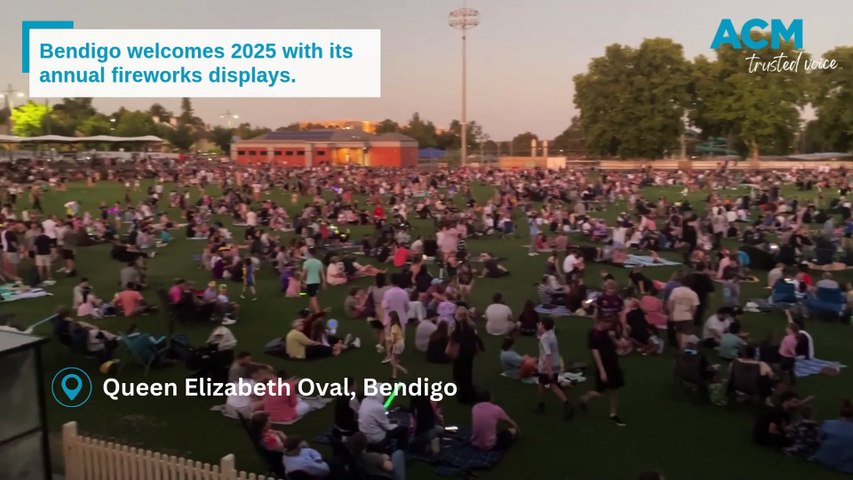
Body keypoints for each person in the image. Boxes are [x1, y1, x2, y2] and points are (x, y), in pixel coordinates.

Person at [579, 317, 627, 427]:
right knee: (600, 392)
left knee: (615, 389)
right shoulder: (593, 333)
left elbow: (613, 344)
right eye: (608, 322)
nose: (610, 325)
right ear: (601, 321)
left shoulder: (607, 331)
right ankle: (584, 399)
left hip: (613, 363)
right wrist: (602, 371)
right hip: (603, 365)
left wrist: (619, 343)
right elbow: (595, 352)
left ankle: (613, 414)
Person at [533, 317, 574, 420]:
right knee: (553, 385)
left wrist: (549, 369)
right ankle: (566, 404)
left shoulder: (545, 338)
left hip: (546, 366)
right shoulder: (551, 333)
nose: (539, 325)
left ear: (544, 326)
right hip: (556, 363)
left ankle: (541, 405)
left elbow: (548, 353)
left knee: (542, 384)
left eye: (541, 324)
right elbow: (540, 338)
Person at [449, 307, 484, 404]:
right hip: (468, 353)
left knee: (459, 374)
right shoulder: (471, 327)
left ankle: (464, 395)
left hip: (460, 354)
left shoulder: (455, 327)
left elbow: (452, 338)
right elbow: (476, 339)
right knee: (467, 374)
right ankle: (468, 392)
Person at [813, 398, 853, 474]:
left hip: (825, 459)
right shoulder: (829, 423)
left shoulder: (828, 423)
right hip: (847, 465)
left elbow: (818, 439)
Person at [668, 277, 699, 347]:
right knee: (685, 335)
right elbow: (694, 308)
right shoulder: (693, 294)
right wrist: (692, 316)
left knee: (678, 332)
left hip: (676, 316)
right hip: (687, 316)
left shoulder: (675, 290)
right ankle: (683, 350)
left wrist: (671, 314)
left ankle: (680, 347)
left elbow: (670, 303)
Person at [301, 248, 326, 313]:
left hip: (310, 282)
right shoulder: (319, 262)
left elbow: (304, 274)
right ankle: (309, 309)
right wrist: (324, 283)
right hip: (317, 282)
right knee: (312, 296)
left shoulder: (306, 263)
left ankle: (318, 313)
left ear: (309, 254)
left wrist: (301, 280)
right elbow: (322, 274)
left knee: (313, 297)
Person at [387, 311, 408, 379]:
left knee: (392, 362)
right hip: (400, 343)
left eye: (390, 317)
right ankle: (394, 376)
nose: (389, 319)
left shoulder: (394, 326)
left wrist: (389, 340)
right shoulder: (398, 325)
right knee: (395, 360)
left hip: (397, 344)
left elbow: (394, 338)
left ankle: (404, 370)